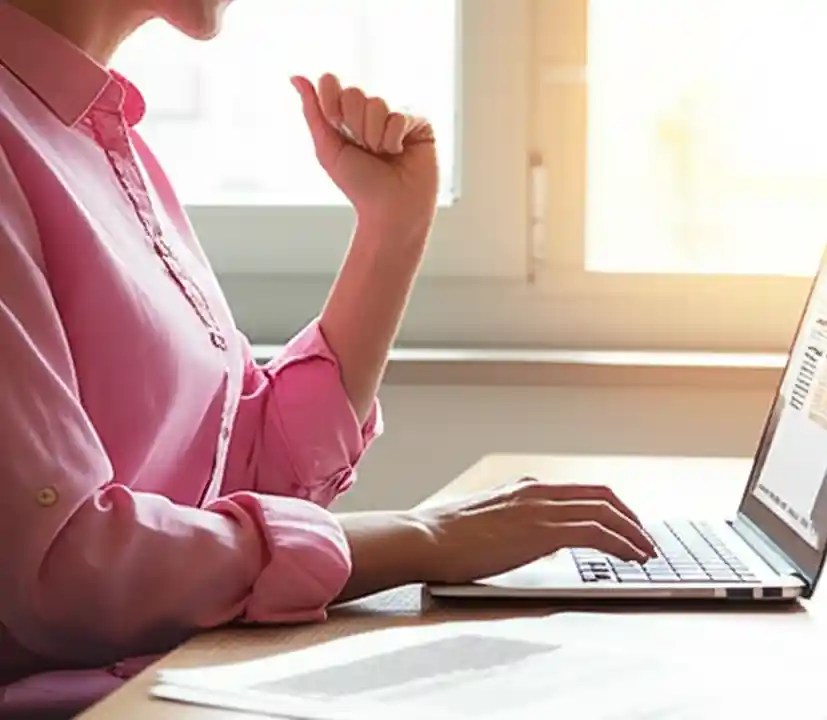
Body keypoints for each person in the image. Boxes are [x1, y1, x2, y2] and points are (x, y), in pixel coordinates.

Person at [0, 0, 657, 715]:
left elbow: (243, 478)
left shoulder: (92, 134)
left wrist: (392, 230)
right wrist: (423, 537)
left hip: (179, 678)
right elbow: (68, 569)